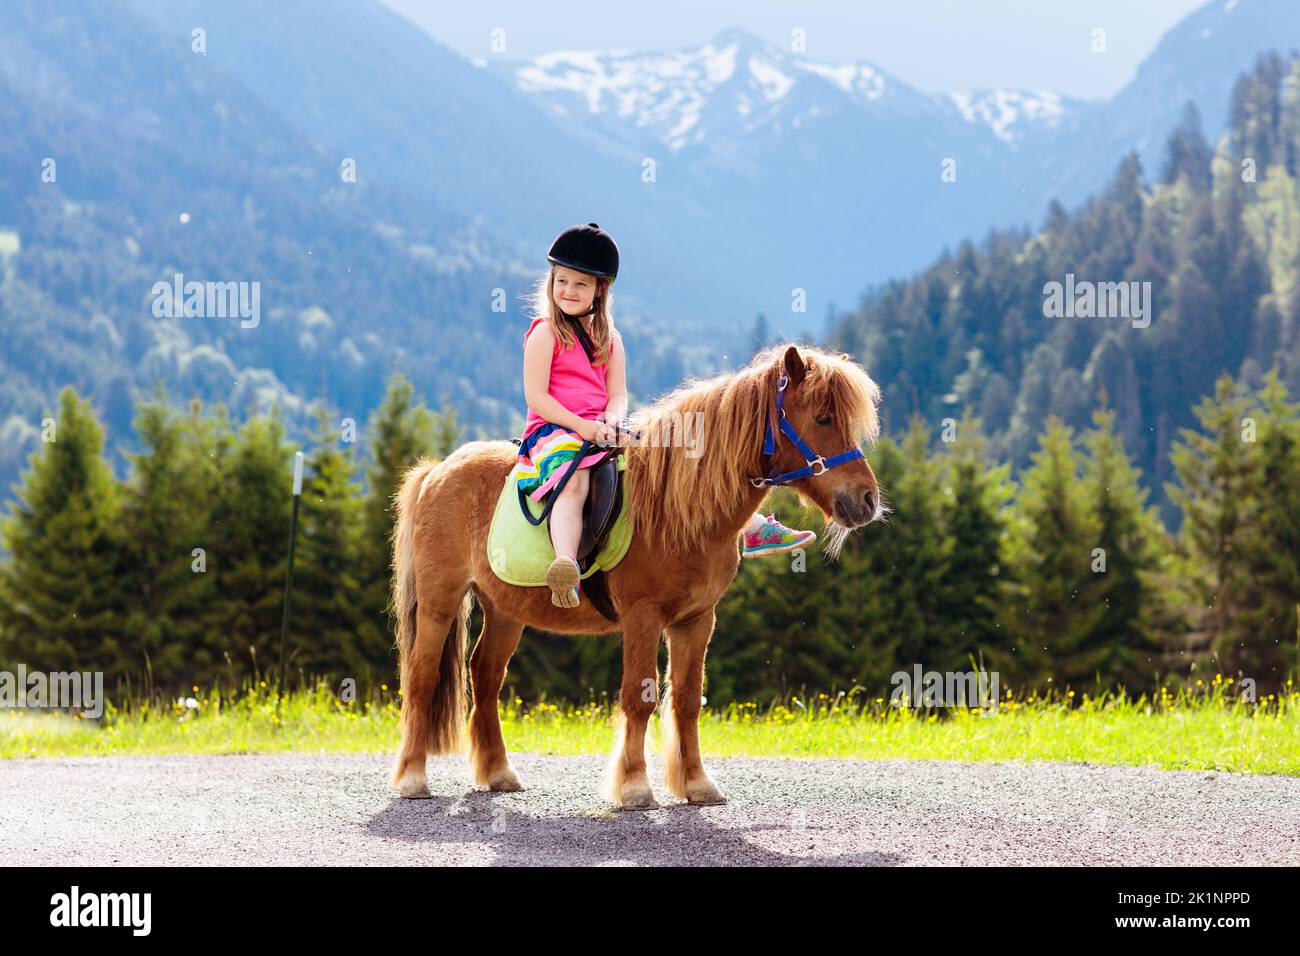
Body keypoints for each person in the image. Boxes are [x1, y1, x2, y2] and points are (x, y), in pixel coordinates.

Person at [512, 223, 816, 609]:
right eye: (562, 282)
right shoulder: (545, 335)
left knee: (687, 454)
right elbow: (536, 396)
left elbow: (618, 394)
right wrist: (582, 426)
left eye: (580, 285)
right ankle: (566, 566)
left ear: (600, 290)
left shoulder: (610, 340)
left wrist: (612, 420)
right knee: (575, 483)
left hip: (603, 428)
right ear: (550, 281)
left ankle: (754, 529)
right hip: (555, 429)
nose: (568, 292)